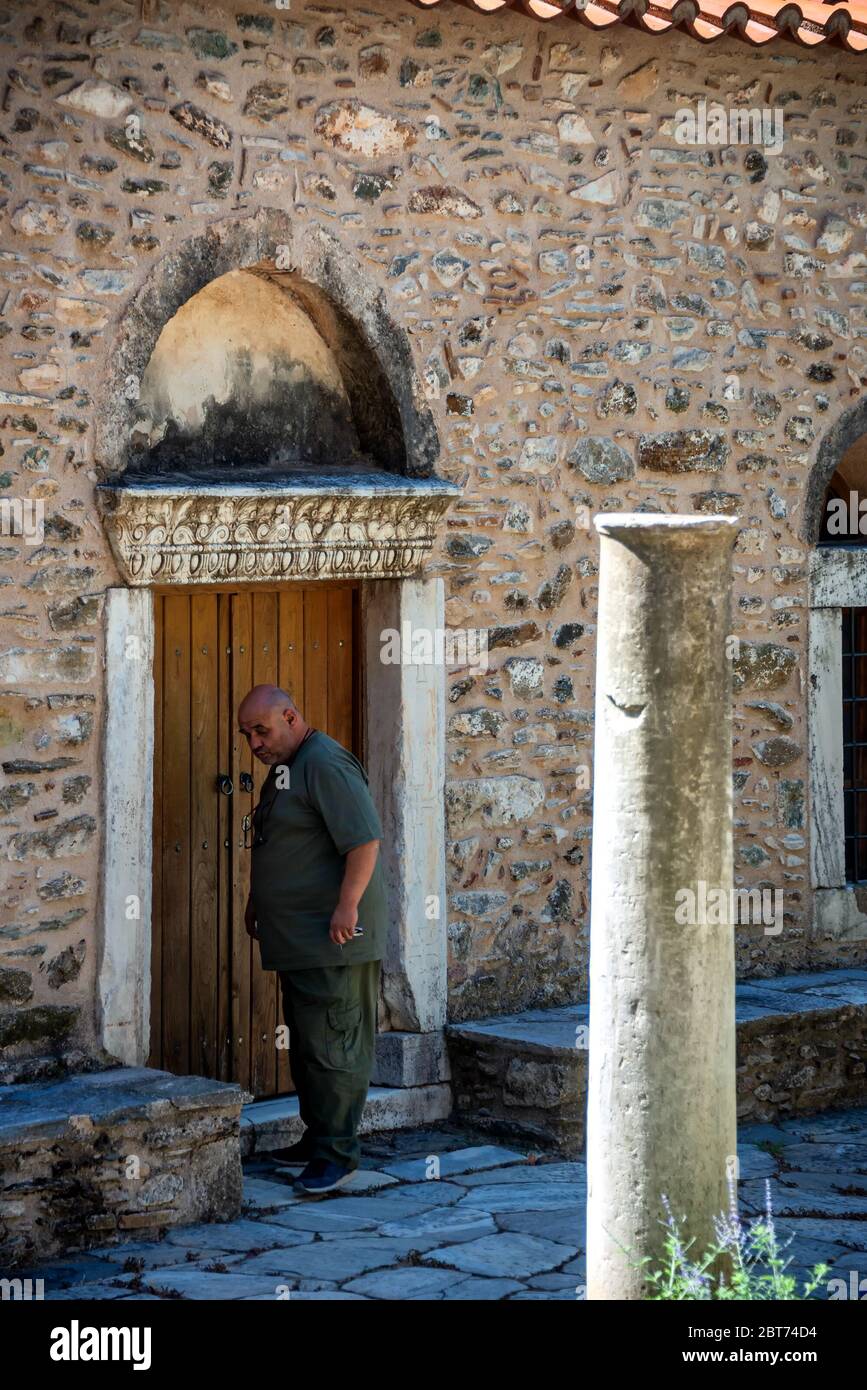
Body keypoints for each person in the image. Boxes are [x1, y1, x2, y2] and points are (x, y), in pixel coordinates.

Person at [238, 683, 387, 1197]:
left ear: (291, 716)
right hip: (298, 939)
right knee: (307, 1046)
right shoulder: (286, 771)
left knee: (335, 1045)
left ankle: (337, 1155)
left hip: (334, 938)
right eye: (248, 735)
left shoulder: (324, 763)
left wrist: (348, 906)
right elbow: (280, 841)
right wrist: (259, 898)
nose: (255, 743)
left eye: (263, 730)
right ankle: (317, 1138)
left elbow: (364, 840)